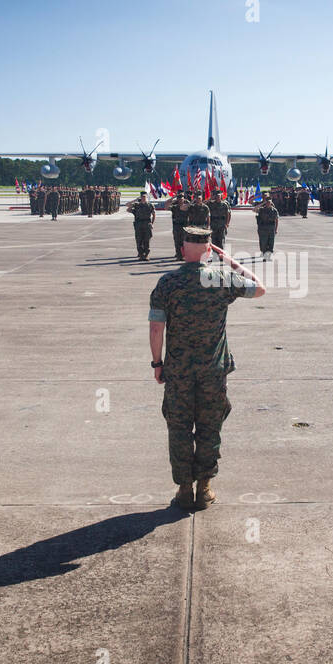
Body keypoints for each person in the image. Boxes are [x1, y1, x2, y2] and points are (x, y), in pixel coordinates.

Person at [149, 226, 266, 510]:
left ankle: (184, 489)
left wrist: (157, 363)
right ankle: (204, 488)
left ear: (182, 250)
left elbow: (156, 328)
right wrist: (230, 261)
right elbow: (260, 288)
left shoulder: (167, 283)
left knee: (178, 427)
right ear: (209, 251)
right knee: (209, 427)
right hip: (213, 370)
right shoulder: (221, 279)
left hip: (178, 370)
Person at [130, 193, 155, 260]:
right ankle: (141, 255)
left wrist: (152, 223)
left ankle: (146, 255)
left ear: (146, 198)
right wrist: (135, 200)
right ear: (140, 198)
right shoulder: (137, 205)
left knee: (147, 240)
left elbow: (154, 214)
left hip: (147, 224)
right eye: (142, 197)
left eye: (145, 197)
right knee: (139, 240)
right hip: (139, 224)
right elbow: (127, 205)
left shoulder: (150, 205)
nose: (144, 198)